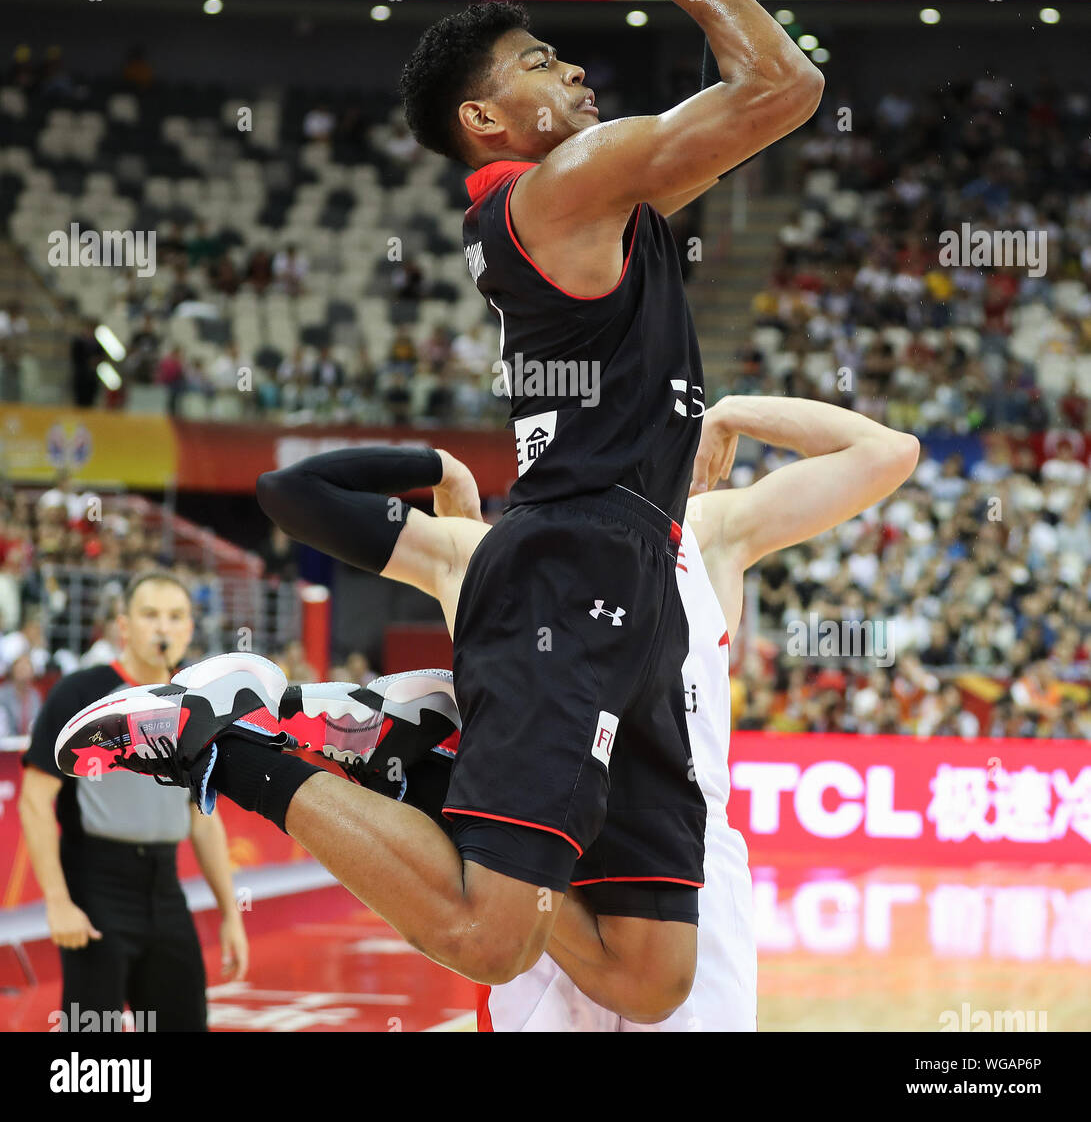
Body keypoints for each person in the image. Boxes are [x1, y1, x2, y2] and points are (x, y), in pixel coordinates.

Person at [52, 0, 823, 1025]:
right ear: (485, 118)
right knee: (485, 934)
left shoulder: (585, 198)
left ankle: (421, 773)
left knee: (650, 970)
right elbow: (781, 90)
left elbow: (742, 118)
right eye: (538, 60)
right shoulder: (558, 191)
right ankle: (223, 741)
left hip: (624, 570)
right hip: (574, 560)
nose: (569, 64)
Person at [58, 393, 918, 1031]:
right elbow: (883, 452)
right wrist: (734, 415)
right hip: (614, 853)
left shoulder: (654, 532)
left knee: (549, 947)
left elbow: (887, 451)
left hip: (593, 849)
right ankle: (410, 770)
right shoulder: (644, 534)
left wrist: (729, 411)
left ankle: (414, 771)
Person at [18, 570, 248, 1032]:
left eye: (175, 616)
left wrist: (230, 915)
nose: (162, 627)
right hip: (96, 883)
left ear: (188, 629)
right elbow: (34, 801)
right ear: (123, 626)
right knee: (91, 1038)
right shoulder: (80, 693)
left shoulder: (198, 704)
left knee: (184, 1020)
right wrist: (58, 902)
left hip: (165, 887)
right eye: (150, 615)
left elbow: (203, 818)